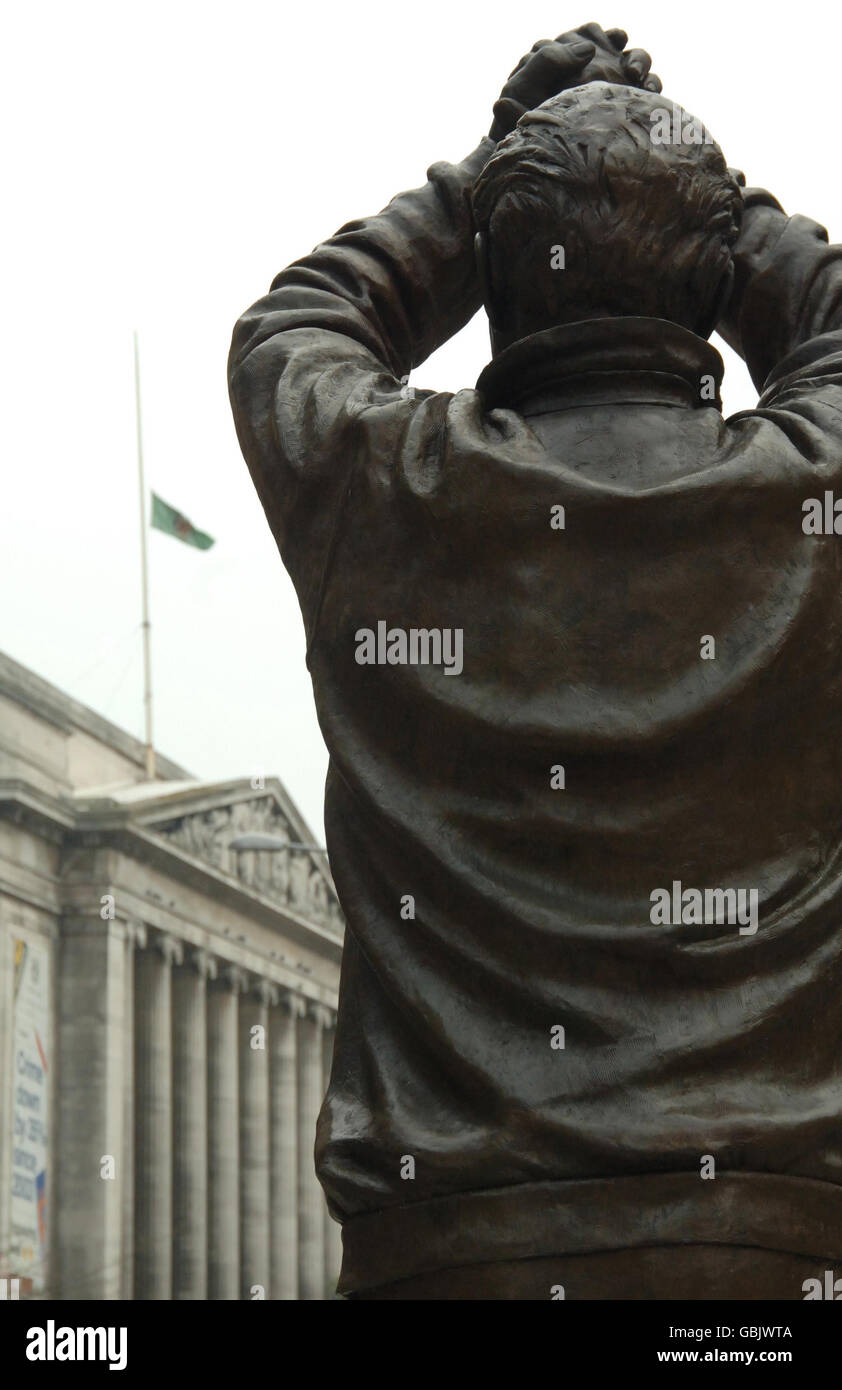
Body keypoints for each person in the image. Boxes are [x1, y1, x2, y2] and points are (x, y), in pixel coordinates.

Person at [228, 23, 842, 1298]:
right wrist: (707, 206)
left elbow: (299, 321)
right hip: (769, 1258)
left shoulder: (380, 487)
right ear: (715, 291)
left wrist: (490, 169)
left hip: (446, 1256)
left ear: (498, 282)